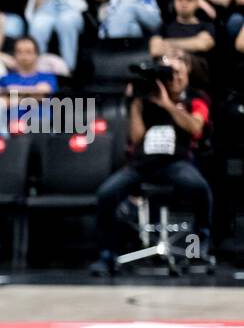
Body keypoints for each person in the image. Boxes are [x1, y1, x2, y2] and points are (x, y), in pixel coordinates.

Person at [91, 50, 212, 275]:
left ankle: (198, 249)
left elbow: (196, 128)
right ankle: (107, 255)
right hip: (141, 164)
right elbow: (136, 138)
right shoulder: (146, 98)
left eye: (178, 73)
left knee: (199, 188)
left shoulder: (196, 98)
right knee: (106, 193)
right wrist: (136, 103)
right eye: (170, 73)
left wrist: (168, 105)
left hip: (176, 162)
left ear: (187, 74)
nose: (173, 78)